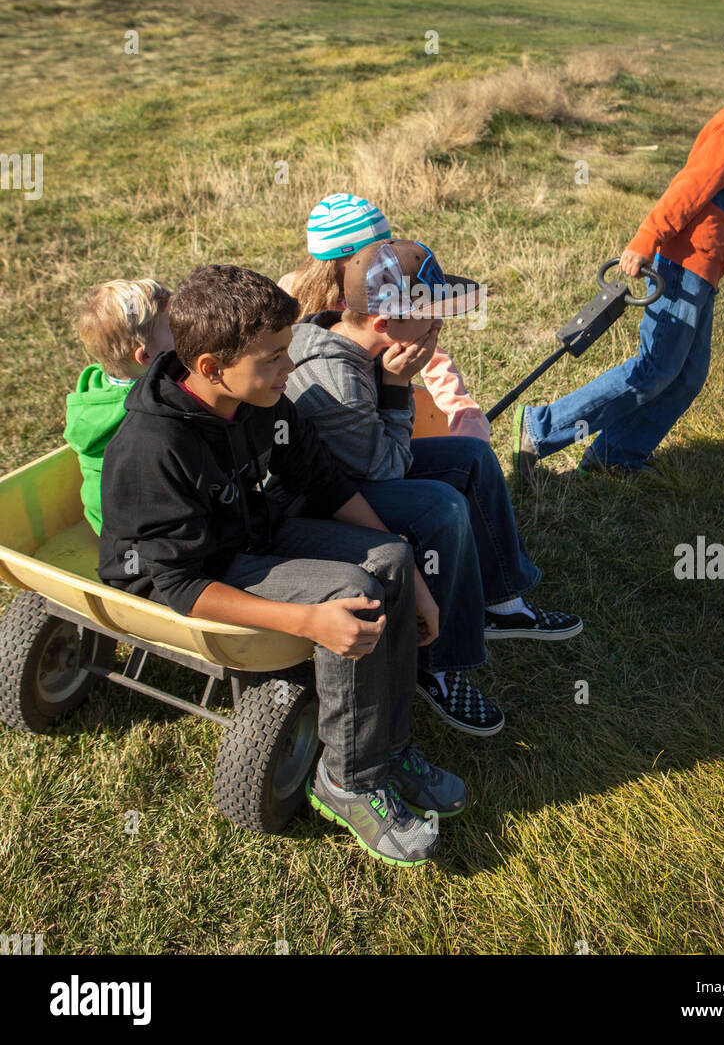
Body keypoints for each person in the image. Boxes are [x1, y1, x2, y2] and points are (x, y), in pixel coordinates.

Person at [98, 264, 465, 867]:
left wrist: (415, 579)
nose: (289, 368)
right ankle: (348, 778)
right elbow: (177, 583)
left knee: (392, 558)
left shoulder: (260, 399)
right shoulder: (155, 447)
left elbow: (322, 480)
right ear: (212, 368)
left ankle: (388, 749)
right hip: (196, 572)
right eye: (273, 357)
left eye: (287, 351)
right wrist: (307, 622)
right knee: (351, 591)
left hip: (253, 530)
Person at [284, 238, 584, 734]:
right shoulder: (335, 380)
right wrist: (398, 386)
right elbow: (387, 471)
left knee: (470, 456)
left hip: (358, 473)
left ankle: (501, 602)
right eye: (430, 313)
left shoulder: (356, 339)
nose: (439, 325)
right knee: (440, 507)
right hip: (315, 510)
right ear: (384, 323)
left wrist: (391, 381)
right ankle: (437, 663)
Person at [513, 47, 724, 480]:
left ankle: (615, 456)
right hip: (681, 263)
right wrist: (648, 237)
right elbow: (692, 183)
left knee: (685, 375)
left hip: (706, 273)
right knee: (655, 369)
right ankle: (541, 429)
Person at [280, 192, 490, 441]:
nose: (383, 264)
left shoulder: (386, 290)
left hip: (373, 412)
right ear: (336, 262)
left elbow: (433, 361)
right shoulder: (290, 294)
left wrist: (467, 422)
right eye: (372, 256)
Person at [63, 278, 173, 535]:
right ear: (146, 356)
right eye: (171, 327)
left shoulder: (93, 384)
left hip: (103, 521)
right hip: (147, 530)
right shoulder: (155, 405)